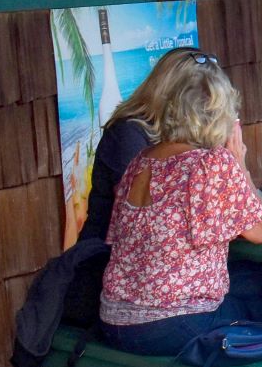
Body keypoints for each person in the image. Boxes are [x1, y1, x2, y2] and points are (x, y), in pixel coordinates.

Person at [96, 54, 262, 367]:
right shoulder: (211, 163)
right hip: (171, 325)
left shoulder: (142, 161)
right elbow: (261, 230)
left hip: (115, 321)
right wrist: (239, 162)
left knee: (244, 285)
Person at [81, 46, 223, 243]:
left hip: (168, 256)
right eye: (201, 96)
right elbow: (145, 213)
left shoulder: (187, 133)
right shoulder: (128, 132)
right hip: (112, 258)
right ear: (173, 94)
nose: (208, 109)